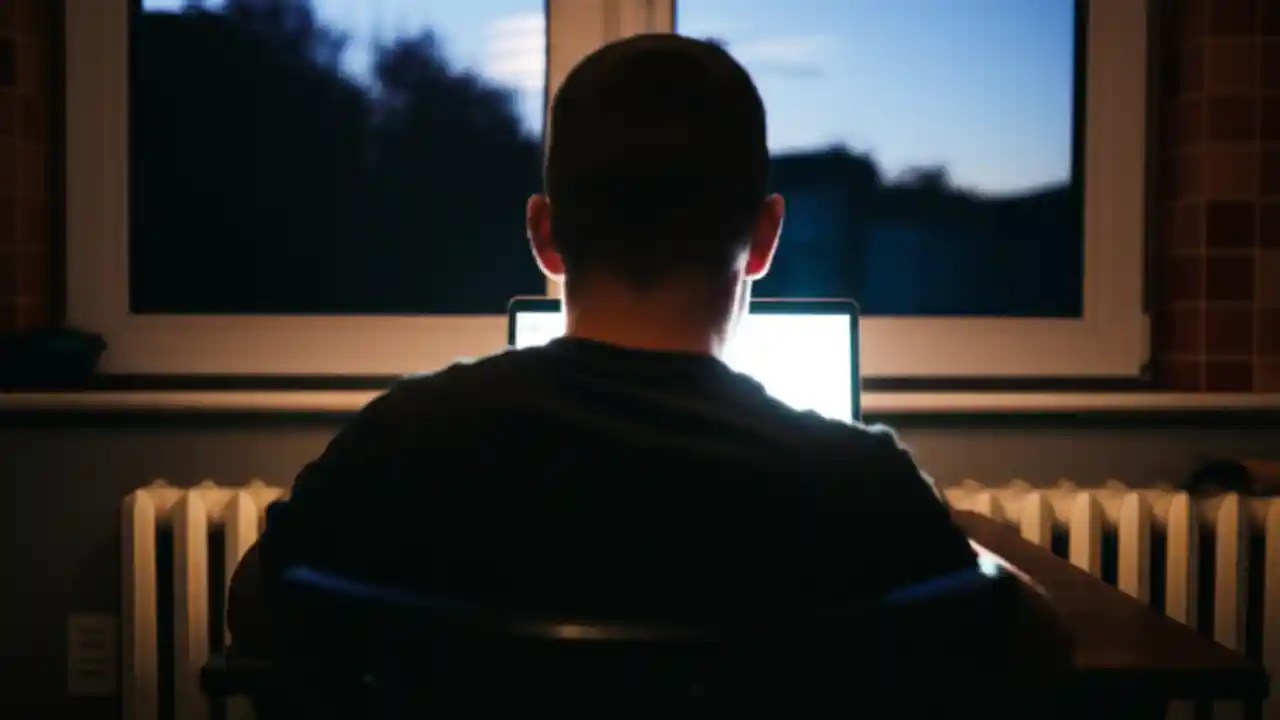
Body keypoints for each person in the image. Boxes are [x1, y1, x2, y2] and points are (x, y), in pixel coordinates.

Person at [228, 34, 1068, 704]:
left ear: (545, 235)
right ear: (766, 238)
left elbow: (257, 611)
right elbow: (1035, 648)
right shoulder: (860, 485)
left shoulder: (402, 443)